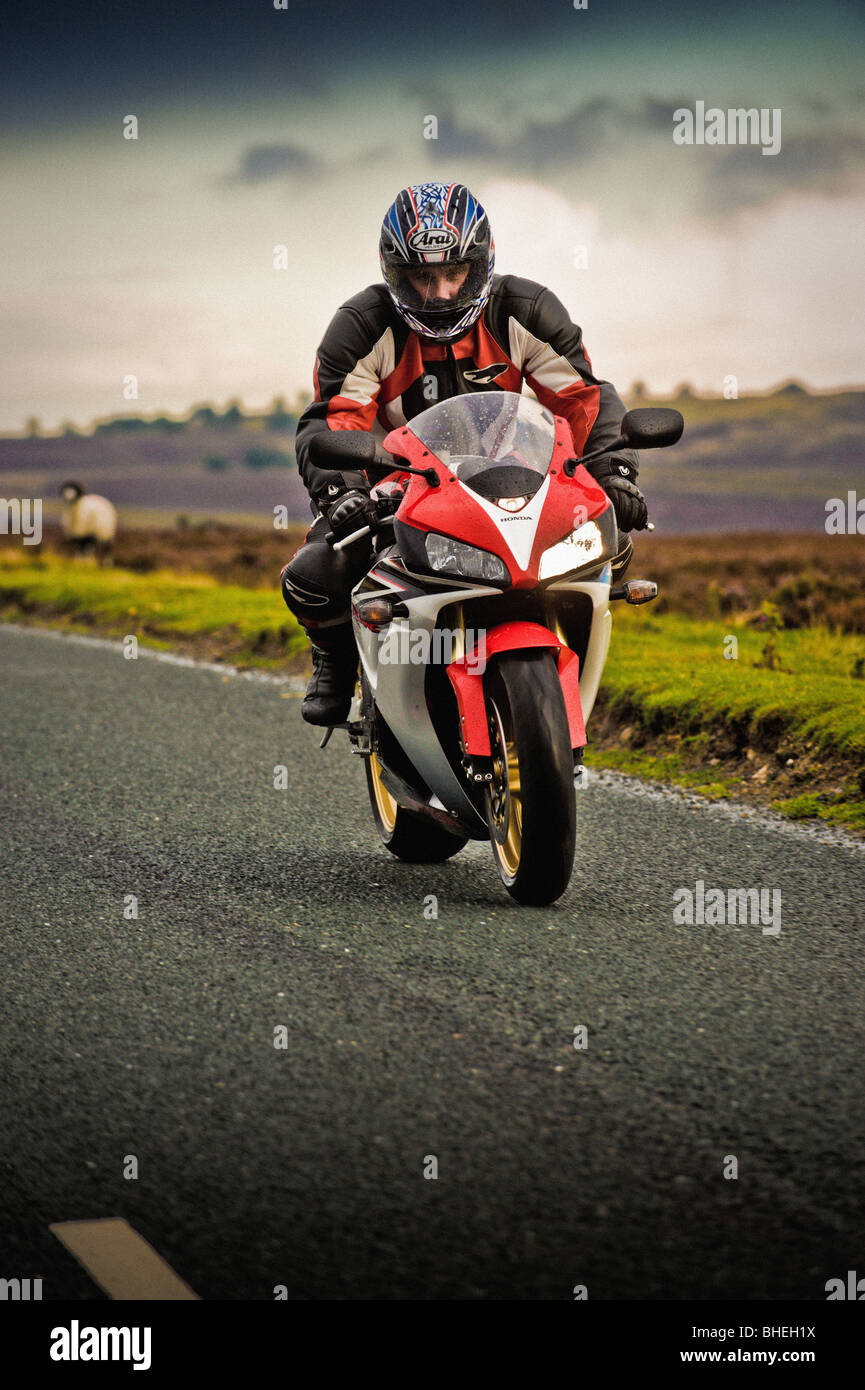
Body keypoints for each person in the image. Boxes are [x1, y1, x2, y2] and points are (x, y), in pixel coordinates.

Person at [281, 180, 647, 725]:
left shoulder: (525, 309)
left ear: (482, 264)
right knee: (316, 570)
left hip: (515, 474)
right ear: (393, 272)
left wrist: (614, 473)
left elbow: (584, 400)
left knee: (608, 540)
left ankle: (561, 663)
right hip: (401, 481)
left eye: (454, 273)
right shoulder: (361, 325)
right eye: (421, 277)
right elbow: (335, 418)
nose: (440, 293)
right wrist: (343, 494)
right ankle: (335, 659)